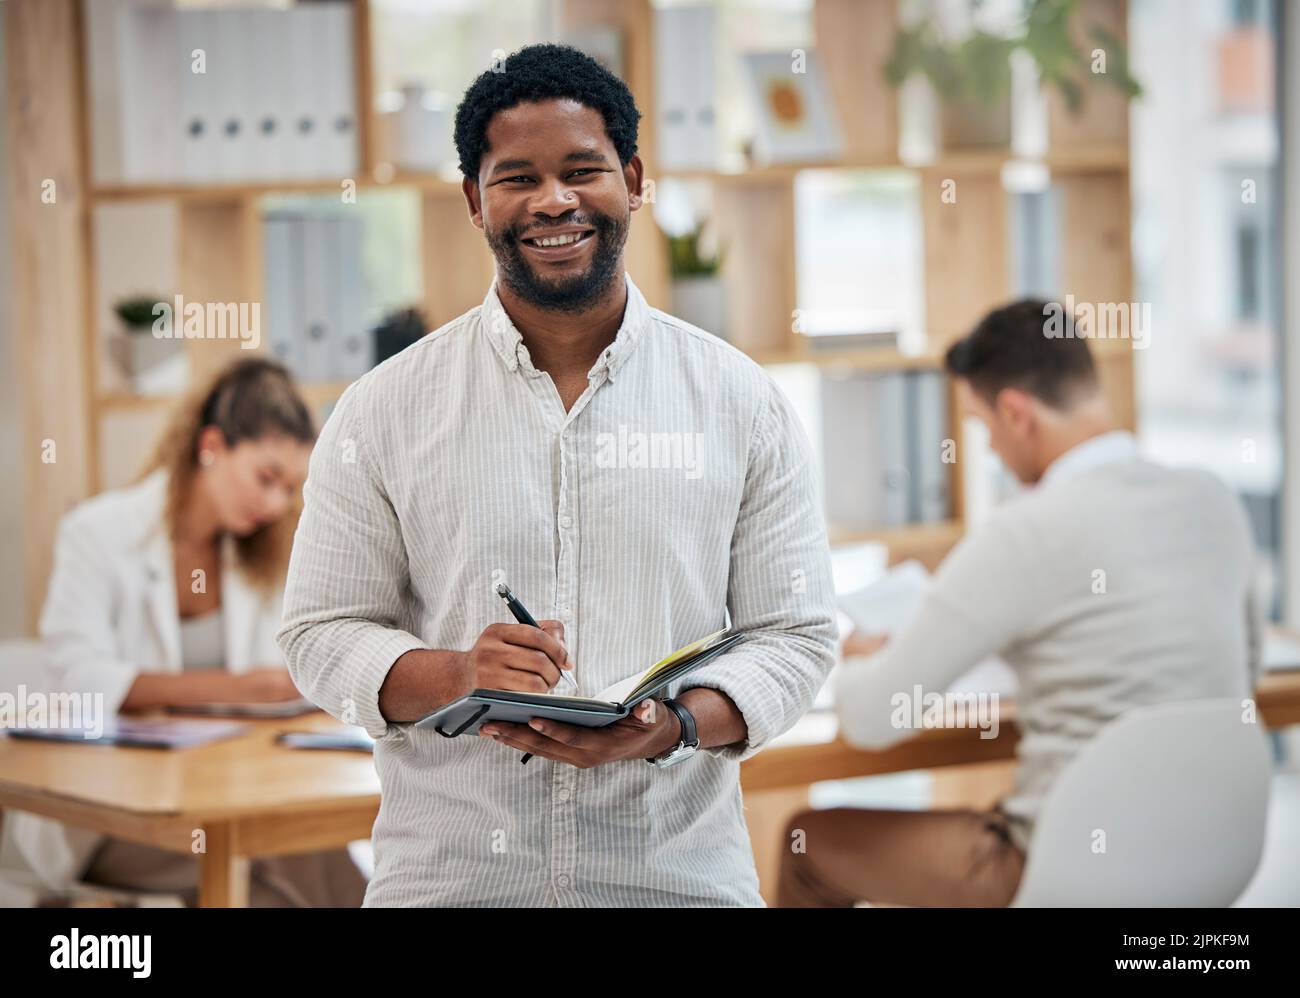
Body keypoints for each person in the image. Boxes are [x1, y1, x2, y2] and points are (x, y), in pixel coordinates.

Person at [278, 44, 837, 907]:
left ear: (635, 180)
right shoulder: (383, 409)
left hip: (675, 884)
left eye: (583, 169)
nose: (554, 201)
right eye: (517, 178)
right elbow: (321, 632)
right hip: (454, 885)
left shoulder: (740, 401)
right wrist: (462, 673)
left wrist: (673, 725)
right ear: (474, 199)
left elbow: (794, 635)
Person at [777, 299, 1261, 907]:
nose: (990, 452)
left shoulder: (1025, 530)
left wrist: (860, 659)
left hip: (1062, 869)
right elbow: (1244, 675)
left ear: (1016, 413)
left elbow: (873, 719)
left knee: (808, 841)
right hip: (1215, 854)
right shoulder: (1213, 500)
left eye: (982, 428)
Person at [0, 358, 367, 907]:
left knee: (303, 855)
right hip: (116, 817)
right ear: (212, 445)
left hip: (232, 792)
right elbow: (79, 680)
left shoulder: (256, 556)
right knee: (279, 867)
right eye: (265, 477)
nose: (272, 504)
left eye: (287, 489)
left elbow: (285, 675)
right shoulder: (97, 534)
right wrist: (235, 688)